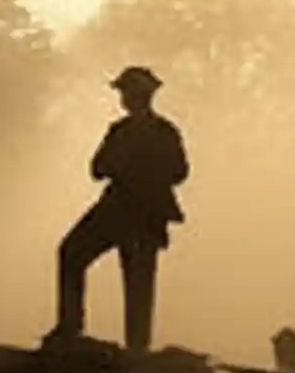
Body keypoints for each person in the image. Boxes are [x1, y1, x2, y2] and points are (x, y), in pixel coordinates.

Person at [43, 66, 188, 353]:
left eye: (127, 93)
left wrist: (135, 169)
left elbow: (178, 171)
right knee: (77, 255)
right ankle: (74, 328)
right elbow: (98, 168)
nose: (125, 99)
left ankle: (130, 347)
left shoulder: (155, 132)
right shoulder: (136, 131)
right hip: (124, 211)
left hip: (136, 213)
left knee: (134, 280)